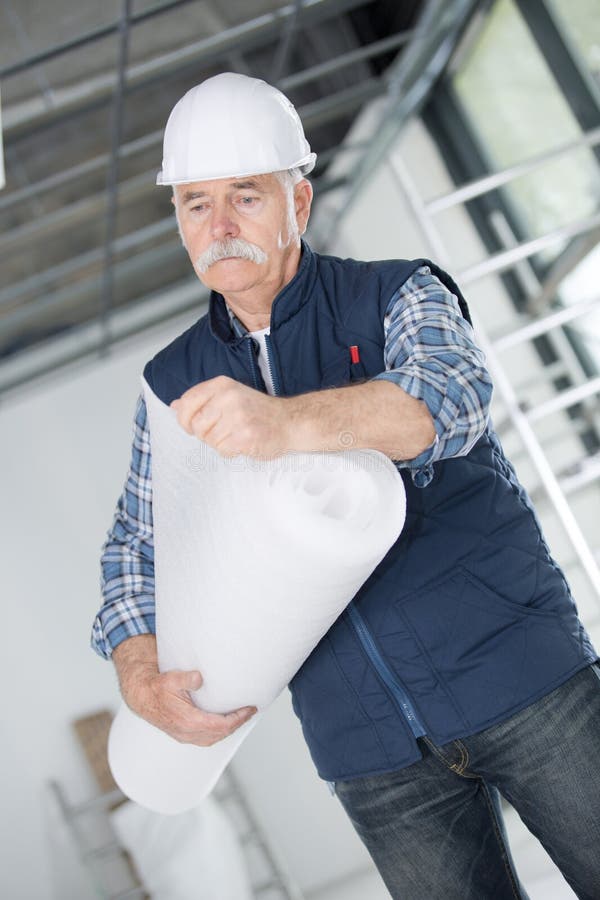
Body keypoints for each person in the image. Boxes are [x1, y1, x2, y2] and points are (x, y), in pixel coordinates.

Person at [92, 72, 600, 899]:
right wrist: (139, 671)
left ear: (298, 198)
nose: (219, 227)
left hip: (522, 677)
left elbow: (452, 397)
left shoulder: (396, 292)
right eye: (194, 204)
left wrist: (285, 424)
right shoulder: (170, 384)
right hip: (369, 754)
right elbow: (134, 546)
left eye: (245, 196)